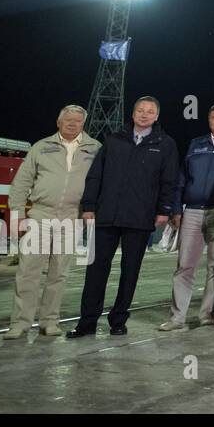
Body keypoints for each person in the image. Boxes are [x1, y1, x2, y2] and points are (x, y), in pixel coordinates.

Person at [69, 96, 179, 338]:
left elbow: (169, 180)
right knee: (96, 270)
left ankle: (118, 320)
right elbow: (95, 175)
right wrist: (89, 205)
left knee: (130, 272)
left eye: (150, 111)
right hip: (106, 215)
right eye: (140, 110)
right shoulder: (114, 140)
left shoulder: (165, 144)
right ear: (133, 113)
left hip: (139, 218)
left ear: (156, 116)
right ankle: (86, 322)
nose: (144, 114)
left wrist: (164, 210)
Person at [5, 105, 99, 339]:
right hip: (40, 216)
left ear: (83, 124)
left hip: (71, 217)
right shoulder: (41, 147)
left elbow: (101, 183)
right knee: (28, 272)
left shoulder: (95, 149)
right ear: (58, 122)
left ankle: (49, 321)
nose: (72, 123)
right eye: (67, 119)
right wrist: (17, 216)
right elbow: (21, 183)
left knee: (59, 273)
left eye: (77, 120)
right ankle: (20, 323)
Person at [159, 103, 214, 331]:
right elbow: (181, 179)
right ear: (208, 120)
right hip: (193, 211)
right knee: (185, 266)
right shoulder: (196, 144)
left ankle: (208, 315)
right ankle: (177, 318)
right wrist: (176, 209)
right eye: (213, 117)